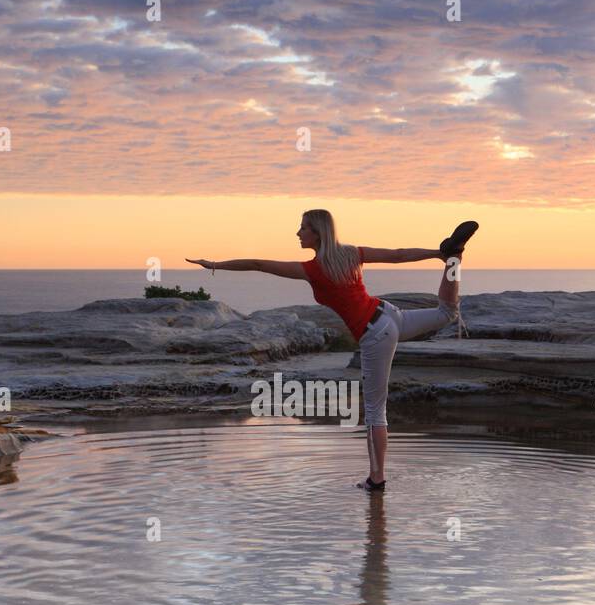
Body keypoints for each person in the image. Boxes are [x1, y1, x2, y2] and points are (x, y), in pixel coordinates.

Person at [187, 210, 478, 491]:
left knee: (376, 412)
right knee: (447, 312)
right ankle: (453, 259)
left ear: (317, 232)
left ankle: (376, 480)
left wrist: (215, 264)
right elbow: (399, 254)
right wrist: (438, 253)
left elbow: (258, 264)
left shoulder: (312, 269)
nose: (298, 233)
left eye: (303, 227)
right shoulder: (350, 253)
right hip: (389, 315)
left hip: (375, 333)